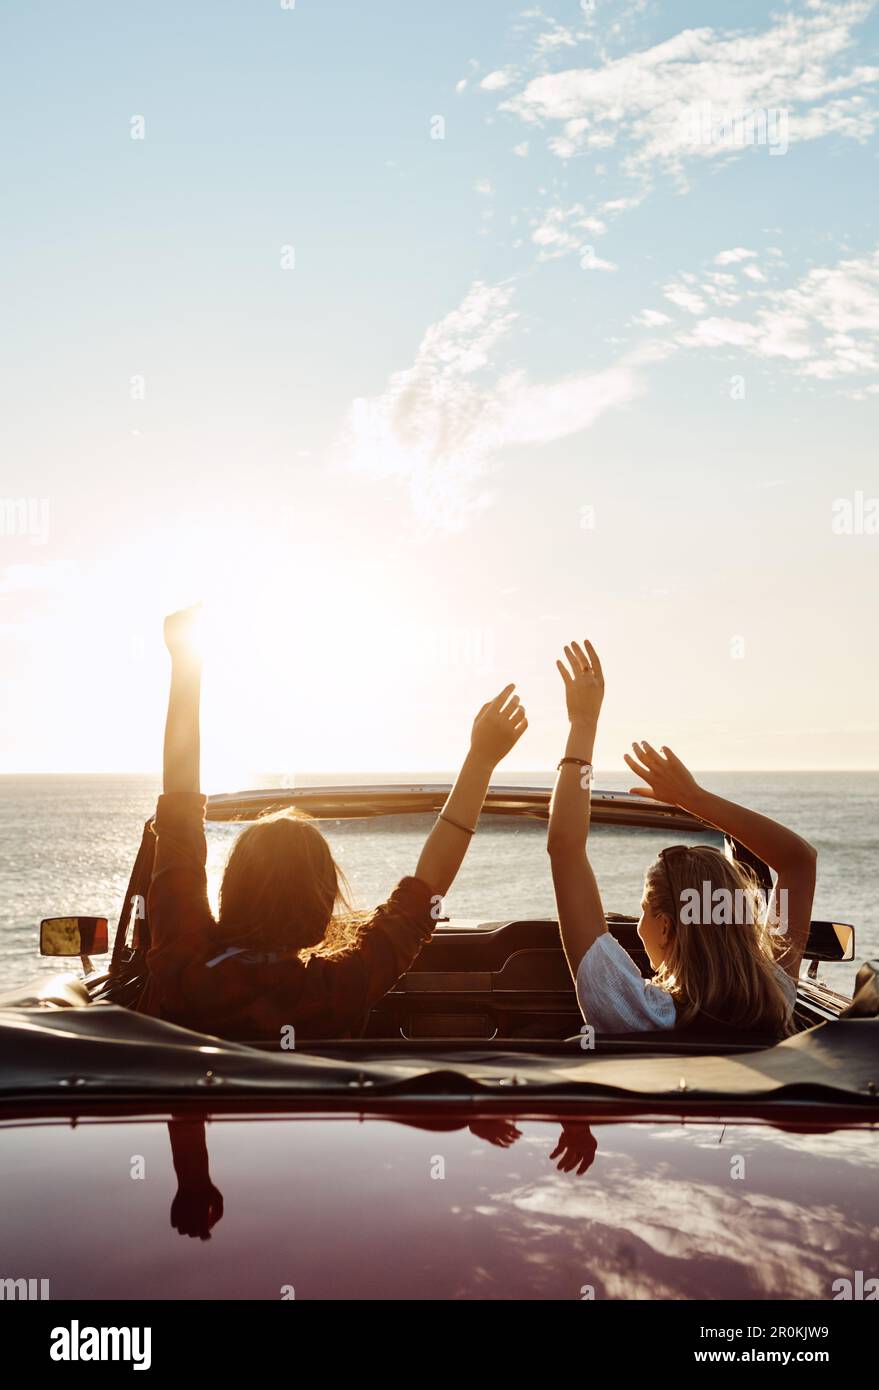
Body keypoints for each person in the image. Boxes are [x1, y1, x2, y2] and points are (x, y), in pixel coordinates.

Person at [140, 604, 527, 1040]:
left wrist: (185, 662)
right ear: (322, 903)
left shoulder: (185, 963)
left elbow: (179, 815)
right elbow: (428, 888)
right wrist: (481, 759)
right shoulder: (339, 985)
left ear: (232, 885)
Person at [546, 639, 816, 1036]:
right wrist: (694, 798)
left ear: (668, 927)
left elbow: (564, 847)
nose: (638, 925)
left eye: (643, 911)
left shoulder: (631, 1011)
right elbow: (798, 861)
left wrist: (583, 723)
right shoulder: (775, 997)